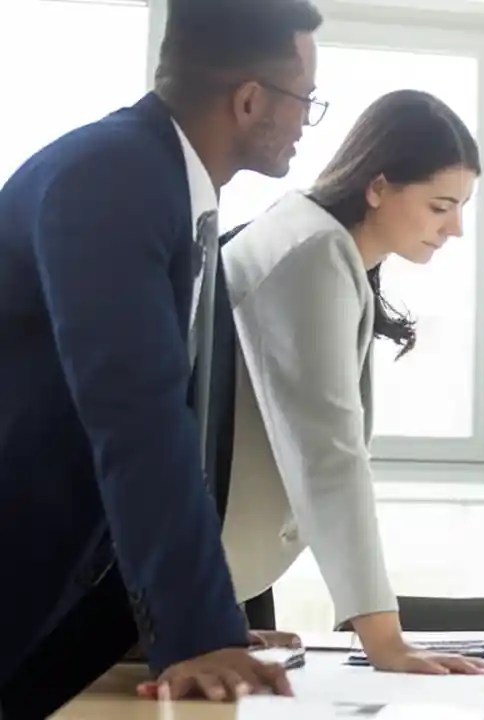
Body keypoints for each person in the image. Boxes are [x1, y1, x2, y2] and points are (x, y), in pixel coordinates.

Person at [0, 1, 323, 713]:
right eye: (305, 100)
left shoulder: (167, 192)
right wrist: (197, 630)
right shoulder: (110, 179)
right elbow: (138, 418)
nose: (306, 120)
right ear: (249, 101)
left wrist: (196, 624)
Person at [219, 89, 484, 676]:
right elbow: (328, 454)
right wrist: (387, 643)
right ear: (377, 187)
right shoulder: (313, 251)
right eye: (441, 205)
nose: (456, 229)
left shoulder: (321, 243)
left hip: (210, 576)